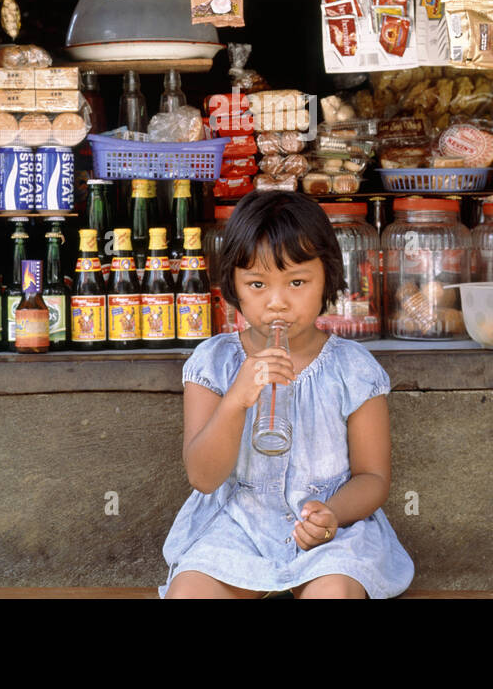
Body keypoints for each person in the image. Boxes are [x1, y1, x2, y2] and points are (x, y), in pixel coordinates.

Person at [160, 190, 413, 598]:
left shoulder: (353, 369)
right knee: (189, 593)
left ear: (327, 280)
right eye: (257, 284)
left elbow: (373, 477)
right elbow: (203, 477)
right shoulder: (214, 363)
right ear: (234, 287)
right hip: (233, 525)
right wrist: (236, 400)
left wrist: (332, 514)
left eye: (297, 282)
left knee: (333, 593)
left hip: (329, 532)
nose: (277, 302)